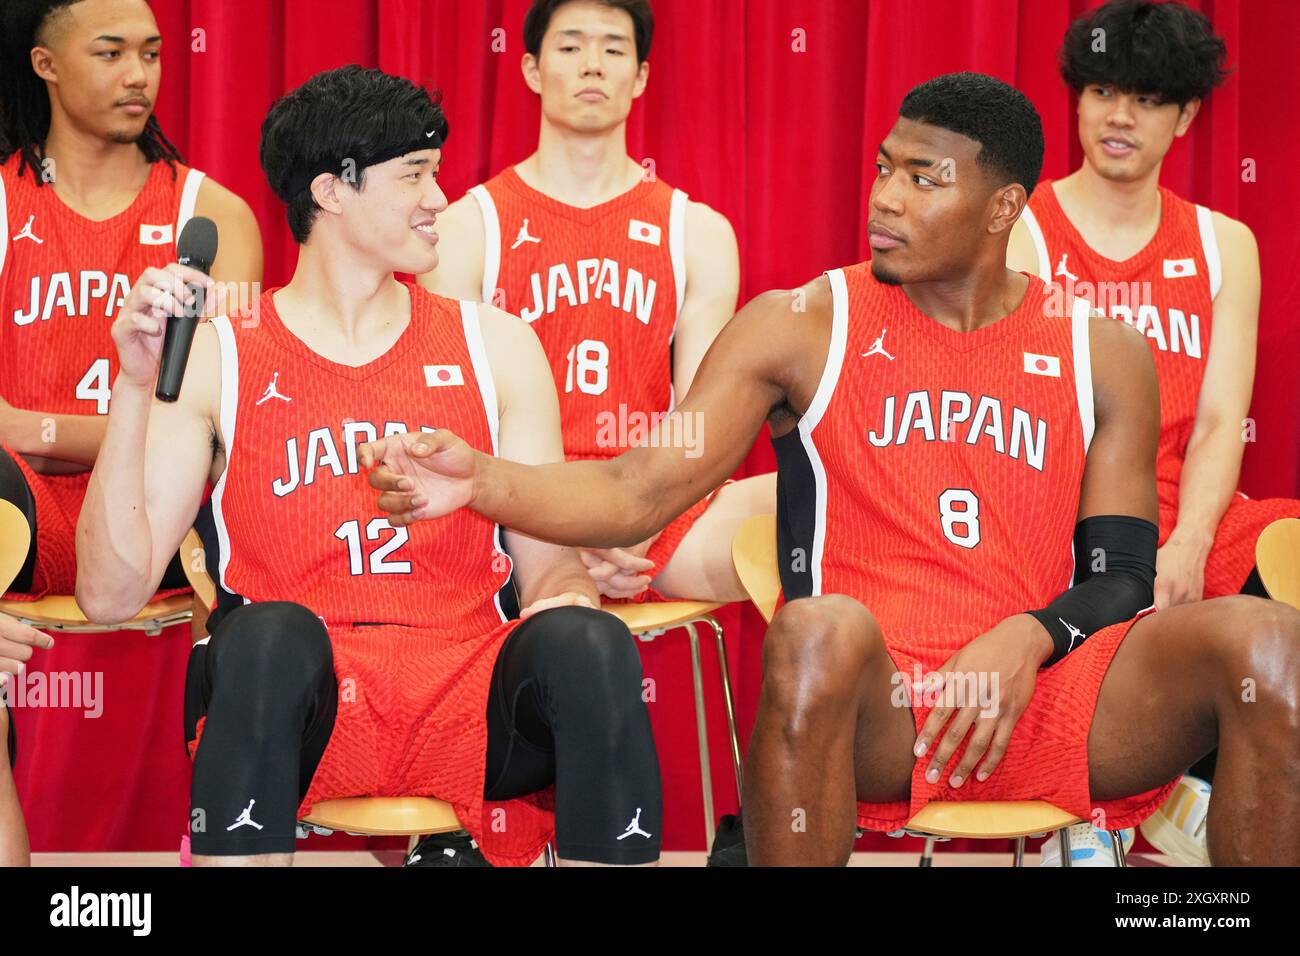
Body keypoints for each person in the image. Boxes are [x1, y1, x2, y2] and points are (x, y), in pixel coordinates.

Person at [364, 72, 1300, 866]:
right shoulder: (803, 325)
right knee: (814, 628)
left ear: (1004, 208)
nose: (886, 197)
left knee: (1267, 644)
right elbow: (634, 489)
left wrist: (1032, 635)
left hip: (1048, 687)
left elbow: (1123, 579)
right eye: (885, 168)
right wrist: (480, 481)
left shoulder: (1104, 350)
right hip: (880, 703)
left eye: (925, 179)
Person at [76, 65, 662, 867]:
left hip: (465, 687)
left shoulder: (498, 347)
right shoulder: (222, 352)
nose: (440, 200)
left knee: (591, 642)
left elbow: (552, 576)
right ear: (331, 191)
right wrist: (135, 385)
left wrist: (570, 602)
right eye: (415, 174)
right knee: (265, 633)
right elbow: (110, 595)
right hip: (299, 697)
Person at [1006, 0, 1299, 865]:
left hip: (1185, 512)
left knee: (1280, 562)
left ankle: (1195, 796)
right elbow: (1032, 419)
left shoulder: (1224, 244)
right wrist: (1128, 551)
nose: (1119, 117)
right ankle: (1104, 808)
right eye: (1101, 91)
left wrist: (1192, 541)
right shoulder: (1024, 227)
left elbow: (1218, 423)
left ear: (1186, 115)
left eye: (1144, 97)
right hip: (1065, 517)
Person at [0, 0, 261, 866]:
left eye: (151, 52)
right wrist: (122, 426)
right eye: (110, 52)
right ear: (44, 64)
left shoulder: (211, 213)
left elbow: (226, 426)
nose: (139, 74)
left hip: (159, 517)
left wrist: (36, 429)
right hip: (20, 516)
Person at [422, 0, 772, 608]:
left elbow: (702, 419)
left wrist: (633, 521)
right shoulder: (467, 227)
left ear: (639, 77)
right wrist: (557, 535)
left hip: (652, 511)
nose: (592, 66)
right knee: (557, 615)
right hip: (514, 514)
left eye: (613, 50)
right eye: (570, 47)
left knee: (833, 506)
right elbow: (454, 409)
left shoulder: (698, 231)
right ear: (531, 69)